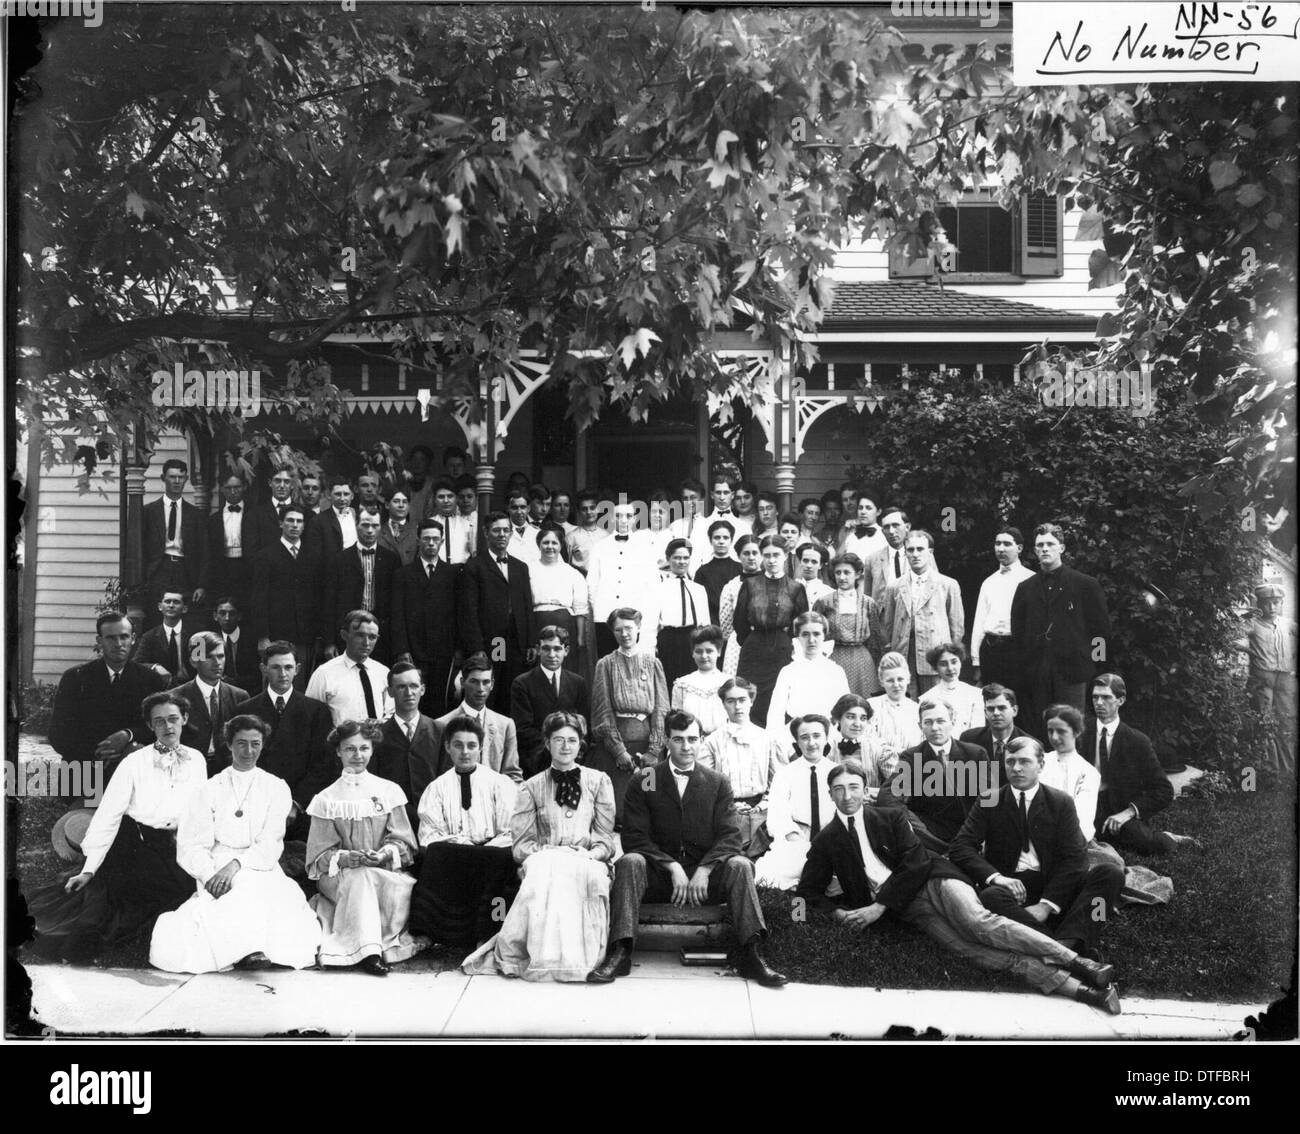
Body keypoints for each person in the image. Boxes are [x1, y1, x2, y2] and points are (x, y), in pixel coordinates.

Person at [796, 760, 1121, 1014]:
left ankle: (1081, 963)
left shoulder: (890, 818)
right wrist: (837, 913)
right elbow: (805, 893)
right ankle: (1086, 992)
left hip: (937, 879)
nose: (847, 795)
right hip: (910, 909)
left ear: (865, 789)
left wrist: (878, 906)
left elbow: (917, 861)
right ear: (830, 794)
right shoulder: (826, 841)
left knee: (976, 922)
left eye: (854, 787)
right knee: (975, 951)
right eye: (838, 789)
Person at [589, 710, 787, 987]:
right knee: (630, 861)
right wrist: (671, 866)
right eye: (678, 739)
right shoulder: (647, 778)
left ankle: (753, 953)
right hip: (659, 878)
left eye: (692, 739)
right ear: (667, 742)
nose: (686, 746)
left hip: (702, 881)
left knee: (740, 865)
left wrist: (705, 869)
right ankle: (620, 950)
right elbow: (634, 836)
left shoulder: (717, 781)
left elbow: (730, 836)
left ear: (701, 740)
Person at [29, 691, 207, 962]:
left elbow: (198, 813)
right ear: (149, 726)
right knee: (126, 899)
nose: (167, 726)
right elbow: (108, 815)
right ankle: (82, 938)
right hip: (134, 843)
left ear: (185, 719)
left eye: (173, 719)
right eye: (159, 721)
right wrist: (89, 868)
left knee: (180, 895)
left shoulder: (197, 761)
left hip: (175, 846)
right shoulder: (134, 763)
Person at [149, 715, 321, 973]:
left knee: (250, 883)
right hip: (216, 862)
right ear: (228, 744)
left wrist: (237, 865)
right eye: (241, 743)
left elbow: (270, 842)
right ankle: (248, 950)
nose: (248, 751)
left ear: (263, 745)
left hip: (260, 862)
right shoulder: (209, 788)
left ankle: (252, 950)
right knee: (231, 889)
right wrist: (208, 875)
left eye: (255, 743)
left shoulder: (276, 787)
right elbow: (192, 844)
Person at [464, 712, 616, 981]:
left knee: (584, 872)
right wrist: (548, 853)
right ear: (547, 743)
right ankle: (544, 957)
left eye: (572, 740)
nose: (565, 746)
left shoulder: (599, 781)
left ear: (581, 744)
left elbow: (605, 839)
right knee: (546, 868)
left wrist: (589, 854)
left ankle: (575, 960)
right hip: (544, 857)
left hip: (585, 858)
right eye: (558, 740)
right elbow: (521, 845)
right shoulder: (530, 787)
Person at [950, 736, 1124, 962]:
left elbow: (1076, 859)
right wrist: (997, 878)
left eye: (1024, 761)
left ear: (1041, 765)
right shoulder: (990, 799)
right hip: (1013, 889)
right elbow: (960, 847)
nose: (1016, 768)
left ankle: (1070, 942)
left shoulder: (1060, 802)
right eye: (1010, 762)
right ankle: (1068, 951)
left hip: (1055, 887)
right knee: (990, 897)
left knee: (1109, 877)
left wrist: (1046, 905)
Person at [306, 719, 426, 975]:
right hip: (339, 878)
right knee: (359, 877)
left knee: (366, 876)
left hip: (384, 874)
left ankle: (368, 946)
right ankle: (369, 952)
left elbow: (405, 843)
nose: (357, 755)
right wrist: (346, 858)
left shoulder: (388, 790)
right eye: (350, 749)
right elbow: (317, 858)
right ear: (338, 751)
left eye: (364, 748)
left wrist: (383, 853)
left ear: (372, 749)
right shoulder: (327, 798)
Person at [410, 715, 520, 951]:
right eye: (458, 745)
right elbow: (428, 835)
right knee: (436, 853)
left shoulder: (499, 783)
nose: (465, 752)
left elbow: (511, 829)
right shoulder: (437, 787)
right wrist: (462, 843)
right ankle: (433, 932)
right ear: (448, 747)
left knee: (503, 860)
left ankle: (491, 930)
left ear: (481, 748)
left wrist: (485, 847)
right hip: (455, 853)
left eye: (471, 746)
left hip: (491, 852)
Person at [1010, 523, 1112, 728]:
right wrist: (1026, 665)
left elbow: (1101, 632)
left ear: (1062, 548)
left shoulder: (1085, 585)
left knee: (1071, 728)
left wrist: (1095, 670)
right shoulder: (1025, 588)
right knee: (1040, 728)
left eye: (1050, 544)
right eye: (1040, 545)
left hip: (1073, 672)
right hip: (1036, 673)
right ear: (1035, 550)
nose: (1045, 549)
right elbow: (1018, 633)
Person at [236, 642, 335, 841]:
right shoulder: (244, 710)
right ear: (264, 669)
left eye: (288, 667)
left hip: (303, 811)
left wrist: (296, 803)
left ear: (297, 669)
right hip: (258, 810)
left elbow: (325, 763)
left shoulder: (317, 711)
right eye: (275, 667)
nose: (283, 674)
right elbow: (239, 762)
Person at [1080, 673, 1180, 857]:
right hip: (1084, 804)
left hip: (1118, 807)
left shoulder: (1137, 741)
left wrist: (1128, 812)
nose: (1099, 703)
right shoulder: (1080, 732)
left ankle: (1169, 838)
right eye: (1095, 697)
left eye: (1106, 697)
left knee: (1146, 843)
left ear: (1121, 700)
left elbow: (1164, 790)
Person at [876, 697, 992, 854]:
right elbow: (888, 794)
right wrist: (909, 823)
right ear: (920, 726)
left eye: (941, 721)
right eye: (928, 722)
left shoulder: (976, 752)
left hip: (971, 832)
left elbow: (990, 798)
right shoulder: (911, 756)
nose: (935, 727)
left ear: (953, 721)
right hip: (932, 836)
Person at [588, 608, 669, 825]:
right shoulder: (605, 664)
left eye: (629, 628)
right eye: (618, 630)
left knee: (648, 800)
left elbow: (662, 709)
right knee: (619, 811)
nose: (624, 634)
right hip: (617, 745)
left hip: (647, 744)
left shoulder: (653, 663)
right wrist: (618, 751)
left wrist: (654, 751)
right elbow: (602, 711)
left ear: (639, 628)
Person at [457, 510, 534, 710]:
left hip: (517, 641)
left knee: (515, 690)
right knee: (495, 687)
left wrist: (530, 642)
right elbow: (469, 611)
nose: (502, 534)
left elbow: (527, 606)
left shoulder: (520, 567)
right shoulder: (475, 566)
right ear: (486, 532)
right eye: (496, 530)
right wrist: (477, 648)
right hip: (496, 640)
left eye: (506, 530)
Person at [700, 677, 785, 855]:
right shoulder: (712, 742)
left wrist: (763, 804)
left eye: (742, 700)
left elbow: (778, 781)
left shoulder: (767, 739)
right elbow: (705, 786)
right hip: (725, 811)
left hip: (763, 811)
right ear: (723, 704)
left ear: (751, 701)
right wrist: (729, 805)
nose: (737, 706)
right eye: (731, 701)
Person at [753, 714, 838, 890]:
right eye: (804, 738)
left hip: (831, 840)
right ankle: (799, 903)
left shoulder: (837, 772)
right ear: (797, 743)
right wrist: (798, 842)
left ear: (826, 738)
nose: (811, 743)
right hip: (796, 841)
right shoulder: (785, 774)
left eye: (817, 736)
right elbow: (778, 816)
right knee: (768, 874)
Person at [879, 529, 965, 698]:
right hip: (905, 652)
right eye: (910, 550)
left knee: (935, 702)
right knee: (907, 704)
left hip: (934, 654)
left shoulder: (947, 584)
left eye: (920, 549)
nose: (915, 554)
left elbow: (957, 626)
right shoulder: (895, 586)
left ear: (930, 552)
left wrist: (949, 658)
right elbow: (887, 626)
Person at [1039, 703, 1127, 869]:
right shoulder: (1041, 761)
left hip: (1069, 839)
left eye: (1061, 731)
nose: (1055, 737)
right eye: (1050, 731)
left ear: (1077, 732)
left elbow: (1083, 820)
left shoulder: (1088, 772)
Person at [734, 534, 809, 722]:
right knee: (749, 699)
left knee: (778, 699)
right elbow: (740, 622)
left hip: (782, 650)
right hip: (754, 650)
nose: (771, 560)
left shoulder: (795, 588)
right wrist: (753, 640)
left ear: (785, 555)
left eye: (776, 555)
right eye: (766, 555)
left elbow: (801, 624)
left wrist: (785, 640)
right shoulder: (750, 585)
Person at [391, 520, 460, 717]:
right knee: (413, 702)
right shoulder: (403, 574)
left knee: (440, 703)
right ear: (418, 540)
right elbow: (397, 615)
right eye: (426, 538)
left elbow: (458, 614)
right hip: (414, 649)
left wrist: (458, 649)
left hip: (444, 651)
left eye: (435, 539)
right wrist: (402, 649)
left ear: (442, 541)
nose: (431, 543)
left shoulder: (452, 574)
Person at [249, 504, 323, 687]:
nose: (295, 525)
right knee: (276, 684)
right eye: (290, 520)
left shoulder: (314, 555)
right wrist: (263, 636)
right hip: (277, 634)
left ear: (304, 526)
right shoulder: (265, 556)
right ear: (281, 523)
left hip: (305, 636)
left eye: (299, 521)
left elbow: (319, 596)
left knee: (301, 685)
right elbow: (259, 598)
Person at [429, 654, 524, 784]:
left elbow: (513, 775)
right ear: (463, 682)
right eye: (474, 682)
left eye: (486, 682)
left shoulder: (505, 725)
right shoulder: (441, 725)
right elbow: (435, 776)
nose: (480, 689)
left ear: (492, 684)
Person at [510, 627, 591, 777]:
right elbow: (522, 729)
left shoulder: (578, 683)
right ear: (538, 649)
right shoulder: (522, 683)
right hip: (535, 763)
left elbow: (585, 726)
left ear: (566, 651)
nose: (552, 655)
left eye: (557, 649)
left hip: (571, 761)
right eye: (546, 649)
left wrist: (569, 752)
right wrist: (554, 748)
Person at [323, 509, 400, 664]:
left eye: (375, 525)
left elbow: (397, 605)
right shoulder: (340, 560)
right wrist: (329, 641)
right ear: (356, 525)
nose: (370, 530)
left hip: (382, 636)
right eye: (365, 525)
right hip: (348, 633)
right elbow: (329, 602)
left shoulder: (392, 560)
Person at [587, 500, 659, 656]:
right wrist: (601, 608)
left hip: (632, 618)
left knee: (631, 661)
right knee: (606, 661)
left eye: (628, 516)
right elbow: (592, 584)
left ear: (634, 519)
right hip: (605, 617)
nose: (624, 520)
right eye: (618, 516)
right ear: (612, 518)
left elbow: (653, 586)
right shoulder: (600, 547)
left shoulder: (645, 548)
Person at [1239, 582, 1297, 776]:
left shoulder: (1287, 623)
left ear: (1281, 603)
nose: (1272, 608)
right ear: (1259, 604)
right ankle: (1269, 768)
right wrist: (1251, 651)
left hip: (1285, 678)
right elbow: (1232, 639)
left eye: (1276, 602)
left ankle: (1288, 768)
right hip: (1263, 677)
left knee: (1286, 720)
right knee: (1263, 719)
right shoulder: (1253, 623)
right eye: (1267, 603)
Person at [175, 630, 249, 776]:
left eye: (221, 656)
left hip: (229, 770)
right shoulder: (176, 698)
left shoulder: (240, 696)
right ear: (194, 661)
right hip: (188, 770)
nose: (217, 663)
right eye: (208, 657)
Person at [141, 458, 207, 621]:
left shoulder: (195, 514)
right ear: (163, 478)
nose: (177, 481)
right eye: (172, 477)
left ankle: (187, 646)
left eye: (181, 477)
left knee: (187, 617)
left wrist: (201, 584)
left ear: (185, 479)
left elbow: (205, 551)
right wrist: (144, 580)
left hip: (185, 570)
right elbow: (139, 548)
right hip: (159, 569)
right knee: (156, 616)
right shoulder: (149, 511)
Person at [970, 526, 1034, 689]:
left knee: (1017, 698)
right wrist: (976, 660)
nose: (1001, 548)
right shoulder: (989, 582)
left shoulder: (1031, 579)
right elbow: (979, 621)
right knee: (990, 697)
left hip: (1017, 650)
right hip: (991, 650)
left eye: (1006, 544)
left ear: (1019, 548)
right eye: (998, 544)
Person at [305, 611, 393, 725]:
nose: (366, 643)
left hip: (378, 740)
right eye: (360, 635)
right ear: (344, 635)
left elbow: (392, 713)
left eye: (372, 637)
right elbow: (310, 715)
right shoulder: (324, 673)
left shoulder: (383, 673)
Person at [371, 662, 439, 810]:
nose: (409, 692)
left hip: (434, 818)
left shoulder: (440, 731)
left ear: (422, 689)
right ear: (390, 692)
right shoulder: (377, 736)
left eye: (414, 686)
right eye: (401, 687)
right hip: (393, 819)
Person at [766, 612, 850, 730]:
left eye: (816, 634)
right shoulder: (788, 671)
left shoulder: (836, 671)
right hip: (796, 732)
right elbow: (776, 711)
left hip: (828, 732)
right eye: (805, 634)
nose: (811, 640)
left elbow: (845, 709)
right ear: (798, 637)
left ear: (824, 636)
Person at [815, 552, 881, 696]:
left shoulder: (868, 603)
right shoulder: (824, 602)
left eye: (847, 572)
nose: (842, 577)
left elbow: (875, 640)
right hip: (833, 658)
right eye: (838, 572)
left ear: (857, 574)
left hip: (862, 662)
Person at [529, 524, 591, 675]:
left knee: (564, 670)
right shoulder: (528, 569)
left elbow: (580, 609)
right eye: (546, 542)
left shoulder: (572, 573)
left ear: (560, 545)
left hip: (565, 624)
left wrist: (580, 639)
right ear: (539, 544)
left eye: (554, 543)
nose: (550, 547)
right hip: (537, 622)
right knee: (538, 669)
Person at [653, 538, 709, 688]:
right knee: (669, 682)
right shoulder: (659, 589)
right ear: (668, 559)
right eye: (677, 558)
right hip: (669, 640)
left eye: (685, 558)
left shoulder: (698, 589)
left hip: (692, 639)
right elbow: (651, 623)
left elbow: (705, 621)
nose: (681, 562)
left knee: (693, 682)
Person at [202, 473, 260, 610]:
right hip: (222, 570)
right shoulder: (213, 520)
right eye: (228, 488)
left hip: (247, 570)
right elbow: (207, 553)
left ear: (244, 487)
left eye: (237, 487)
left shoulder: (256, 515)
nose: (233, 492)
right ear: (221, 489)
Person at [829, 693, 895, 800]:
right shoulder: (826, 750)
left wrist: (869, 793)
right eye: (851, 717)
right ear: (838, 718)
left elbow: (898, 787)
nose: (857, 723)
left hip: (873, 808)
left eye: (863, 718)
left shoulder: (880, 749)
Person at [670, 625, 729, 738]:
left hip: (722, 744)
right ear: (692, 653)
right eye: (699, 651)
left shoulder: (727, 682)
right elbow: (676, 722)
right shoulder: (682, 684)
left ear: (719, 652)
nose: (704, 656)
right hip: (692, 744)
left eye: (709, 651)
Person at [719, 533, 762, 677]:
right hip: (738, 644)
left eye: (755, 553)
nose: (751, 557)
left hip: (766, 642)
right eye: (746, 553)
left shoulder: (772, 583)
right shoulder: (731, 586)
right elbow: (725, 626)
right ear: (738, 556)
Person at [130, 589, 193, 687]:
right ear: (160, 606)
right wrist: (155, 667)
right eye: (167, 602)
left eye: (176, 602)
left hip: (189, 687)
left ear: (184, 608)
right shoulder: (149, 637)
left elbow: (201, 663)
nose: (171, 605)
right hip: (162, 689)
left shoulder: (196, 635)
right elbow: (137, 663)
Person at [959, 683, 1031, 769]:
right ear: (985, 713)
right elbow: (961, 779)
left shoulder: (1029, 744)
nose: (996, 713)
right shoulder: (969, 739)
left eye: (1002, 708)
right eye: (990, 709)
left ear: (1014, 710)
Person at [867, 652, 923, 752]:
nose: (896, 685)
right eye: (890, 681)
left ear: (908, 679)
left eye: (900, 679)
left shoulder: (917, 709)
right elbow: (870, 740)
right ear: (881, 682)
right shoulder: (872, 706)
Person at [922, 642, 982, 733]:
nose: (950, 668)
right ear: (935, 668)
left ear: (960, 663)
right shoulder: (927, 698)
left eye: (954, 662)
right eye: (943, 664)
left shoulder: (975, 694)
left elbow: (978, 731)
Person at [212, 595, 262, 694]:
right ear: (215, 616)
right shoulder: (210, 639)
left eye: (232, 613)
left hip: (248, 692)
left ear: (239, 616)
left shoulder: (252, 639)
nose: (227, 618)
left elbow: (257, 675)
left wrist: (235, 682)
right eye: (222, 613)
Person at [694, 520, 742, 624]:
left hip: (737, 625)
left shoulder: (740, 569)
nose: (721, 541)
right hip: (711, 625)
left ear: (731, 540)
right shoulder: (702, 572)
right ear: (710, 540)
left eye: (725, 537)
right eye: (717, 537)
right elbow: (699, 604)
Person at [306, 476, 359, 561]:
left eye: (346, 494)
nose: (342, 498)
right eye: (338, 494)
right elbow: (315, 556)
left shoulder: (360, 517)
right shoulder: (318, 521)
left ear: (352, 496)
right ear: (329, 495)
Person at [864, 507, 911, 601]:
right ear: (882, 531)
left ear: (907, 527)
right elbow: (867, 598)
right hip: (884, 614)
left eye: (895, 525)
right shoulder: (872, 559)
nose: (891, 531)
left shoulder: (922, 555)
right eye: (886, 527)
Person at [566, 488, 609, 574]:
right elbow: (566, 565)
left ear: (598, 509)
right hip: (581, 581)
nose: (589, 512)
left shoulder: (606, 535)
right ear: (578, 511)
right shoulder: (571, 537)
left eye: (592, 508)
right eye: (584, 509)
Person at [378, 488, 419, 565]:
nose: (401, 505)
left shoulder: (416, 532)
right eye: (396, 501)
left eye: (405, 502)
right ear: (387, 505)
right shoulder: (377, 532)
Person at [842, 494, 887, 563]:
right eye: (860, 508)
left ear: (878, 512)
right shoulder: (851, 537)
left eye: (868, 508)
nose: (863, 512)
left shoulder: (885, 536)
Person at [795, 542, 832, 607]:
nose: (809, 565)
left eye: (814, 562)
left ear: (820, 565)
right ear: (800, 562)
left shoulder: (827, 592)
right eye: (805, 561)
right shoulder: (790, 587)